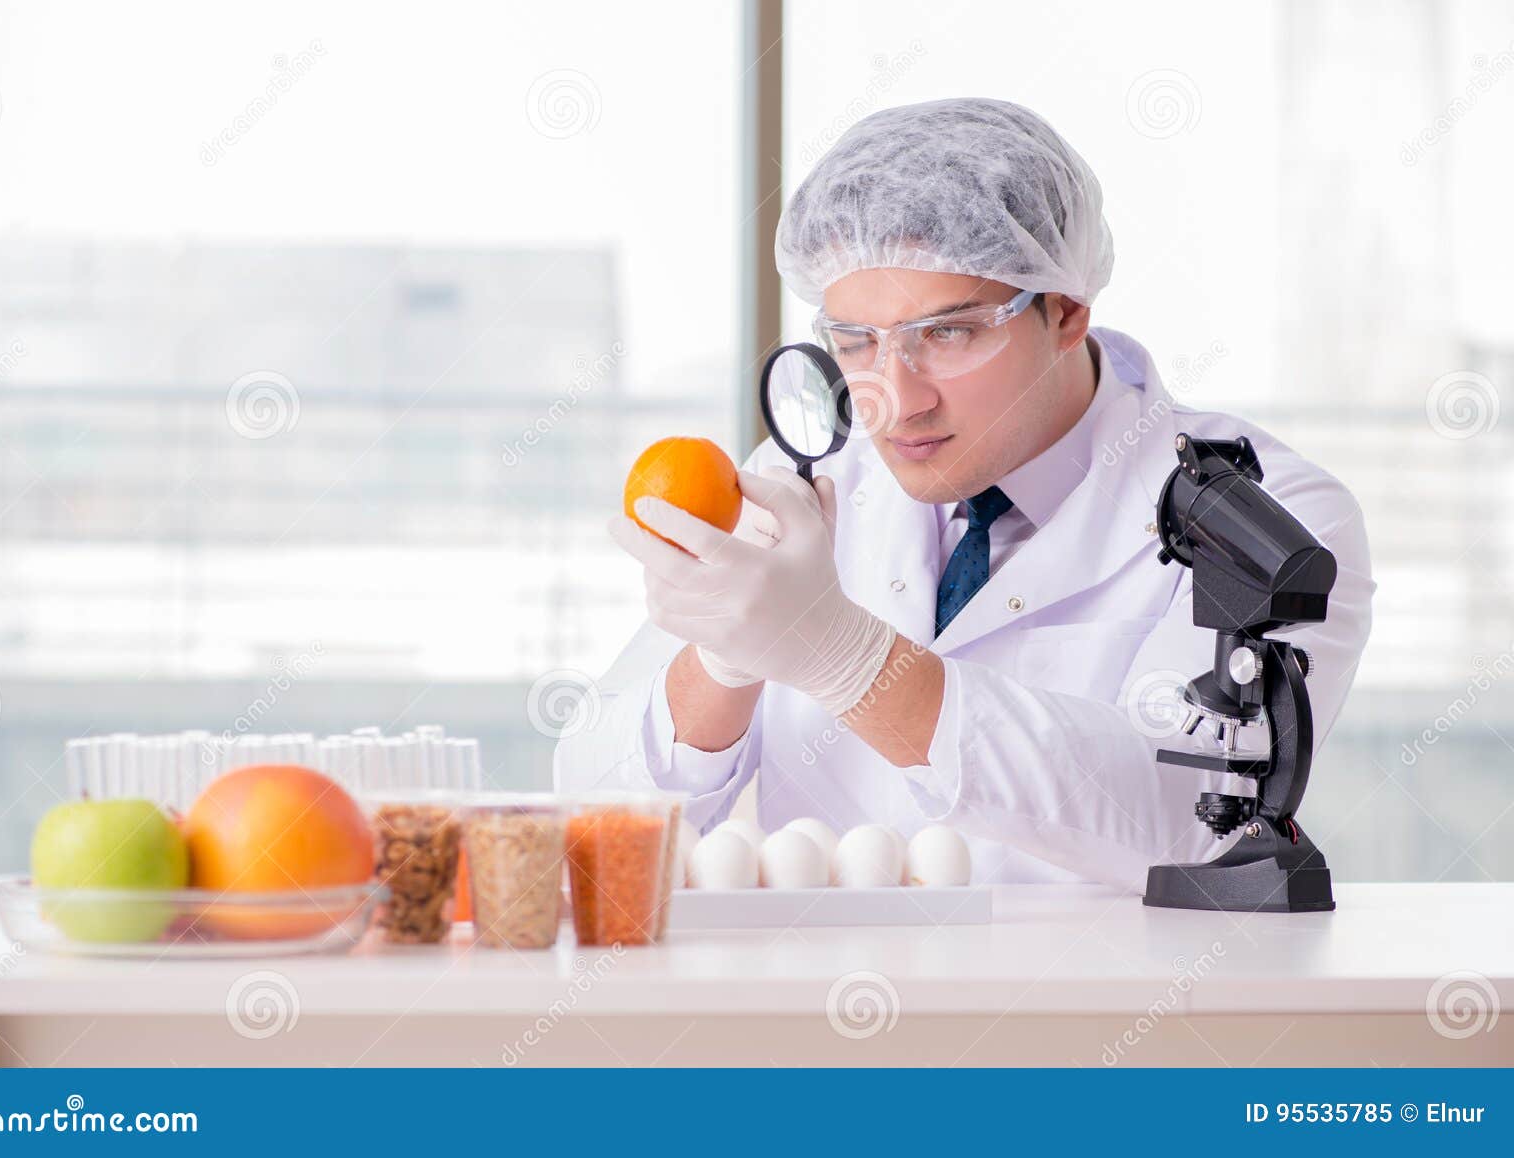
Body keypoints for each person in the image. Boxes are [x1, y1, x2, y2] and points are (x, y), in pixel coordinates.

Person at [554, 97, 1374, 890]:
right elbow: (595, 815)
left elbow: (1192, 826)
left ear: (1066, 310)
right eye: (855, 340)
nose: (896, 399)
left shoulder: (1270, 518)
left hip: (1107, 1019)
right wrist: (724, 655)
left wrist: (844, 655)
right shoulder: (807, 481)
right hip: (815, 1015)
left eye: (946, 333)